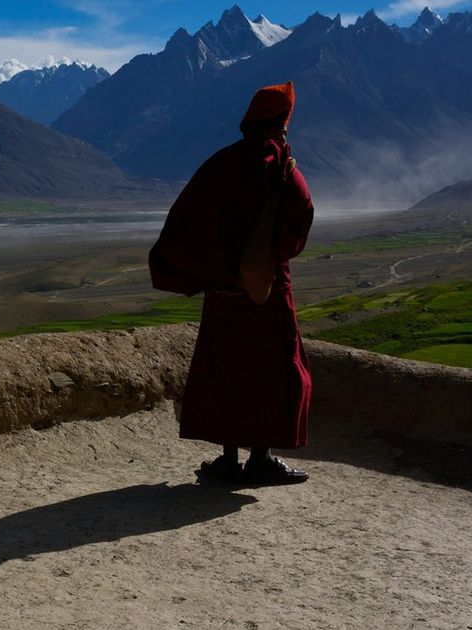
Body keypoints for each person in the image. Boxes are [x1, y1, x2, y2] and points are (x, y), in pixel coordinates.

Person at [148, 81, 314, 485]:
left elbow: (184, 222)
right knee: (272, 371)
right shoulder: (280, 166)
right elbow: (299, 218)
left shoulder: (220, 164)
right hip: (267, 293)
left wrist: (213, 270)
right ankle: (262, 458)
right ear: (281, 123)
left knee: (224, 372)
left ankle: (227, 460)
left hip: (223, 294)